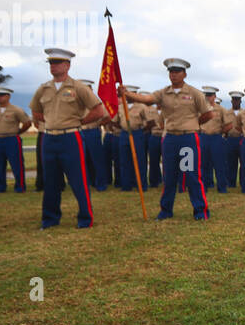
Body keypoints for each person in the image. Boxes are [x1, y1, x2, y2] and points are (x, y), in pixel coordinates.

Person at [123, 59, 213, 221]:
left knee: (192, 175)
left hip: (188, 138)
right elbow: (148, 99)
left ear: (184, 74)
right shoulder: (163, 93)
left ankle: (200, 211)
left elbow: (208, 114)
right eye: (171, 72)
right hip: (170, 138)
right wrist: (128, 94)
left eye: (177, 72)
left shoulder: (194, 93)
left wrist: (194, 124)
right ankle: (165, 210)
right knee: (169, 176)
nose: (174, 75)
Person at [29, 48, 108, 228]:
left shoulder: (78, 87)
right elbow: (35, 110)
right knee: (51, 181)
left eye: (57, 63)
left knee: (78, 179)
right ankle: (50, 219)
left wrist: (80, 121)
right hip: (49, 138)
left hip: (71, 137)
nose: (53, 66)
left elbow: (98, 110)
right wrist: (50, 121)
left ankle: (85, 218)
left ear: (67, 65)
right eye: (50, 63)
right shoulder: (44, 88)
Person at [0, 86, 31, 193]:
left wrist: (18, 132)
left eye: (1, 95)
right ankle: (0, 187)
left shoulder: (16, 110)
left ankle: (20, 187)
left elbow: (27, 123)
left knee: (17, 164)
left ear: (8, 96)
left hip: (12, 139)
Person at [199, 86, 230, 194]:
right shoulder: (200, 109)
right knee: (203, 164)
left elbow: (229, 125)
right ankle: (204, 187)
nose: (208, 97)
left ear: (214, 96)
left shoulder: (221, 109)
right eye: (206, 95)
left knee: (219, 164)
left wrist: (221, 132)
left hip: (216, 138)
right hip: (203, 137)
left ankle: (222, 187)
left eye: (210, 95)